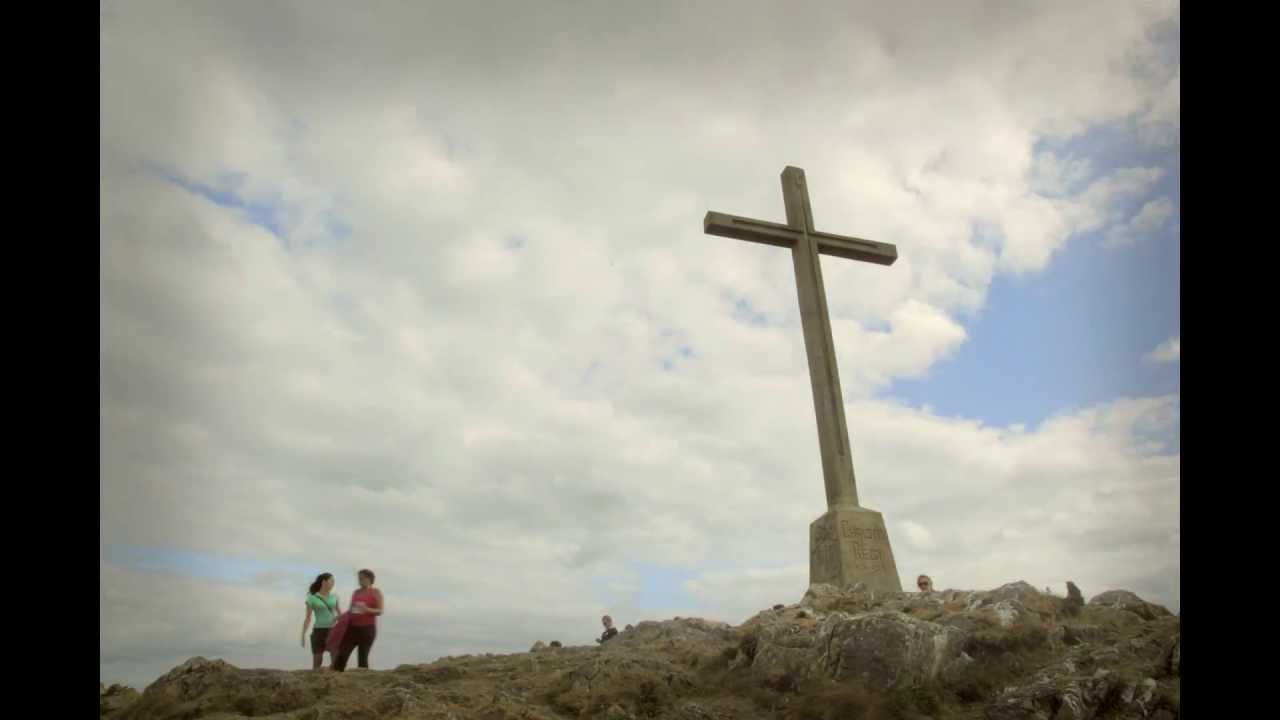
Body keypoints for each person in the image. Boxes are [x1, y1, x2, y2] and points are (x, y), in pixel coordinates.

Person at [333, 569, 384, 671]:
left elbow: (380, 611)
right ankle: (336, 676)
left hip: (367, 629)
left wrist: (367, 609)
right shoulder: (356, 592)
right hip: (352, 628)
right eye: (359, 578)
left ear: (369, 579)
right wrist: (340, 617)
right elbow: (351, 610)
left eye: (362, 578)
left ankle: (363, 679)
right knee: (342, 653)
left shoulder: (376, 592)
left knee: (362, 657)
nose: (360, 580)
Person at [300, 573, 341, 670]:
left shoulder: (334, 597)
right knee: (317, 662)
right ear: (324, 582)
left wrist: (338, 618)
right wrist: (303, 634)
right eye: (331, 581)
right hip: (318, 631)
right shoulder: (312, 598)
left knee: (335, 661)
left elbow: (340, 614)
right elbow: (308, 618)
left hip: (333, 630)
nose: (333, 583)